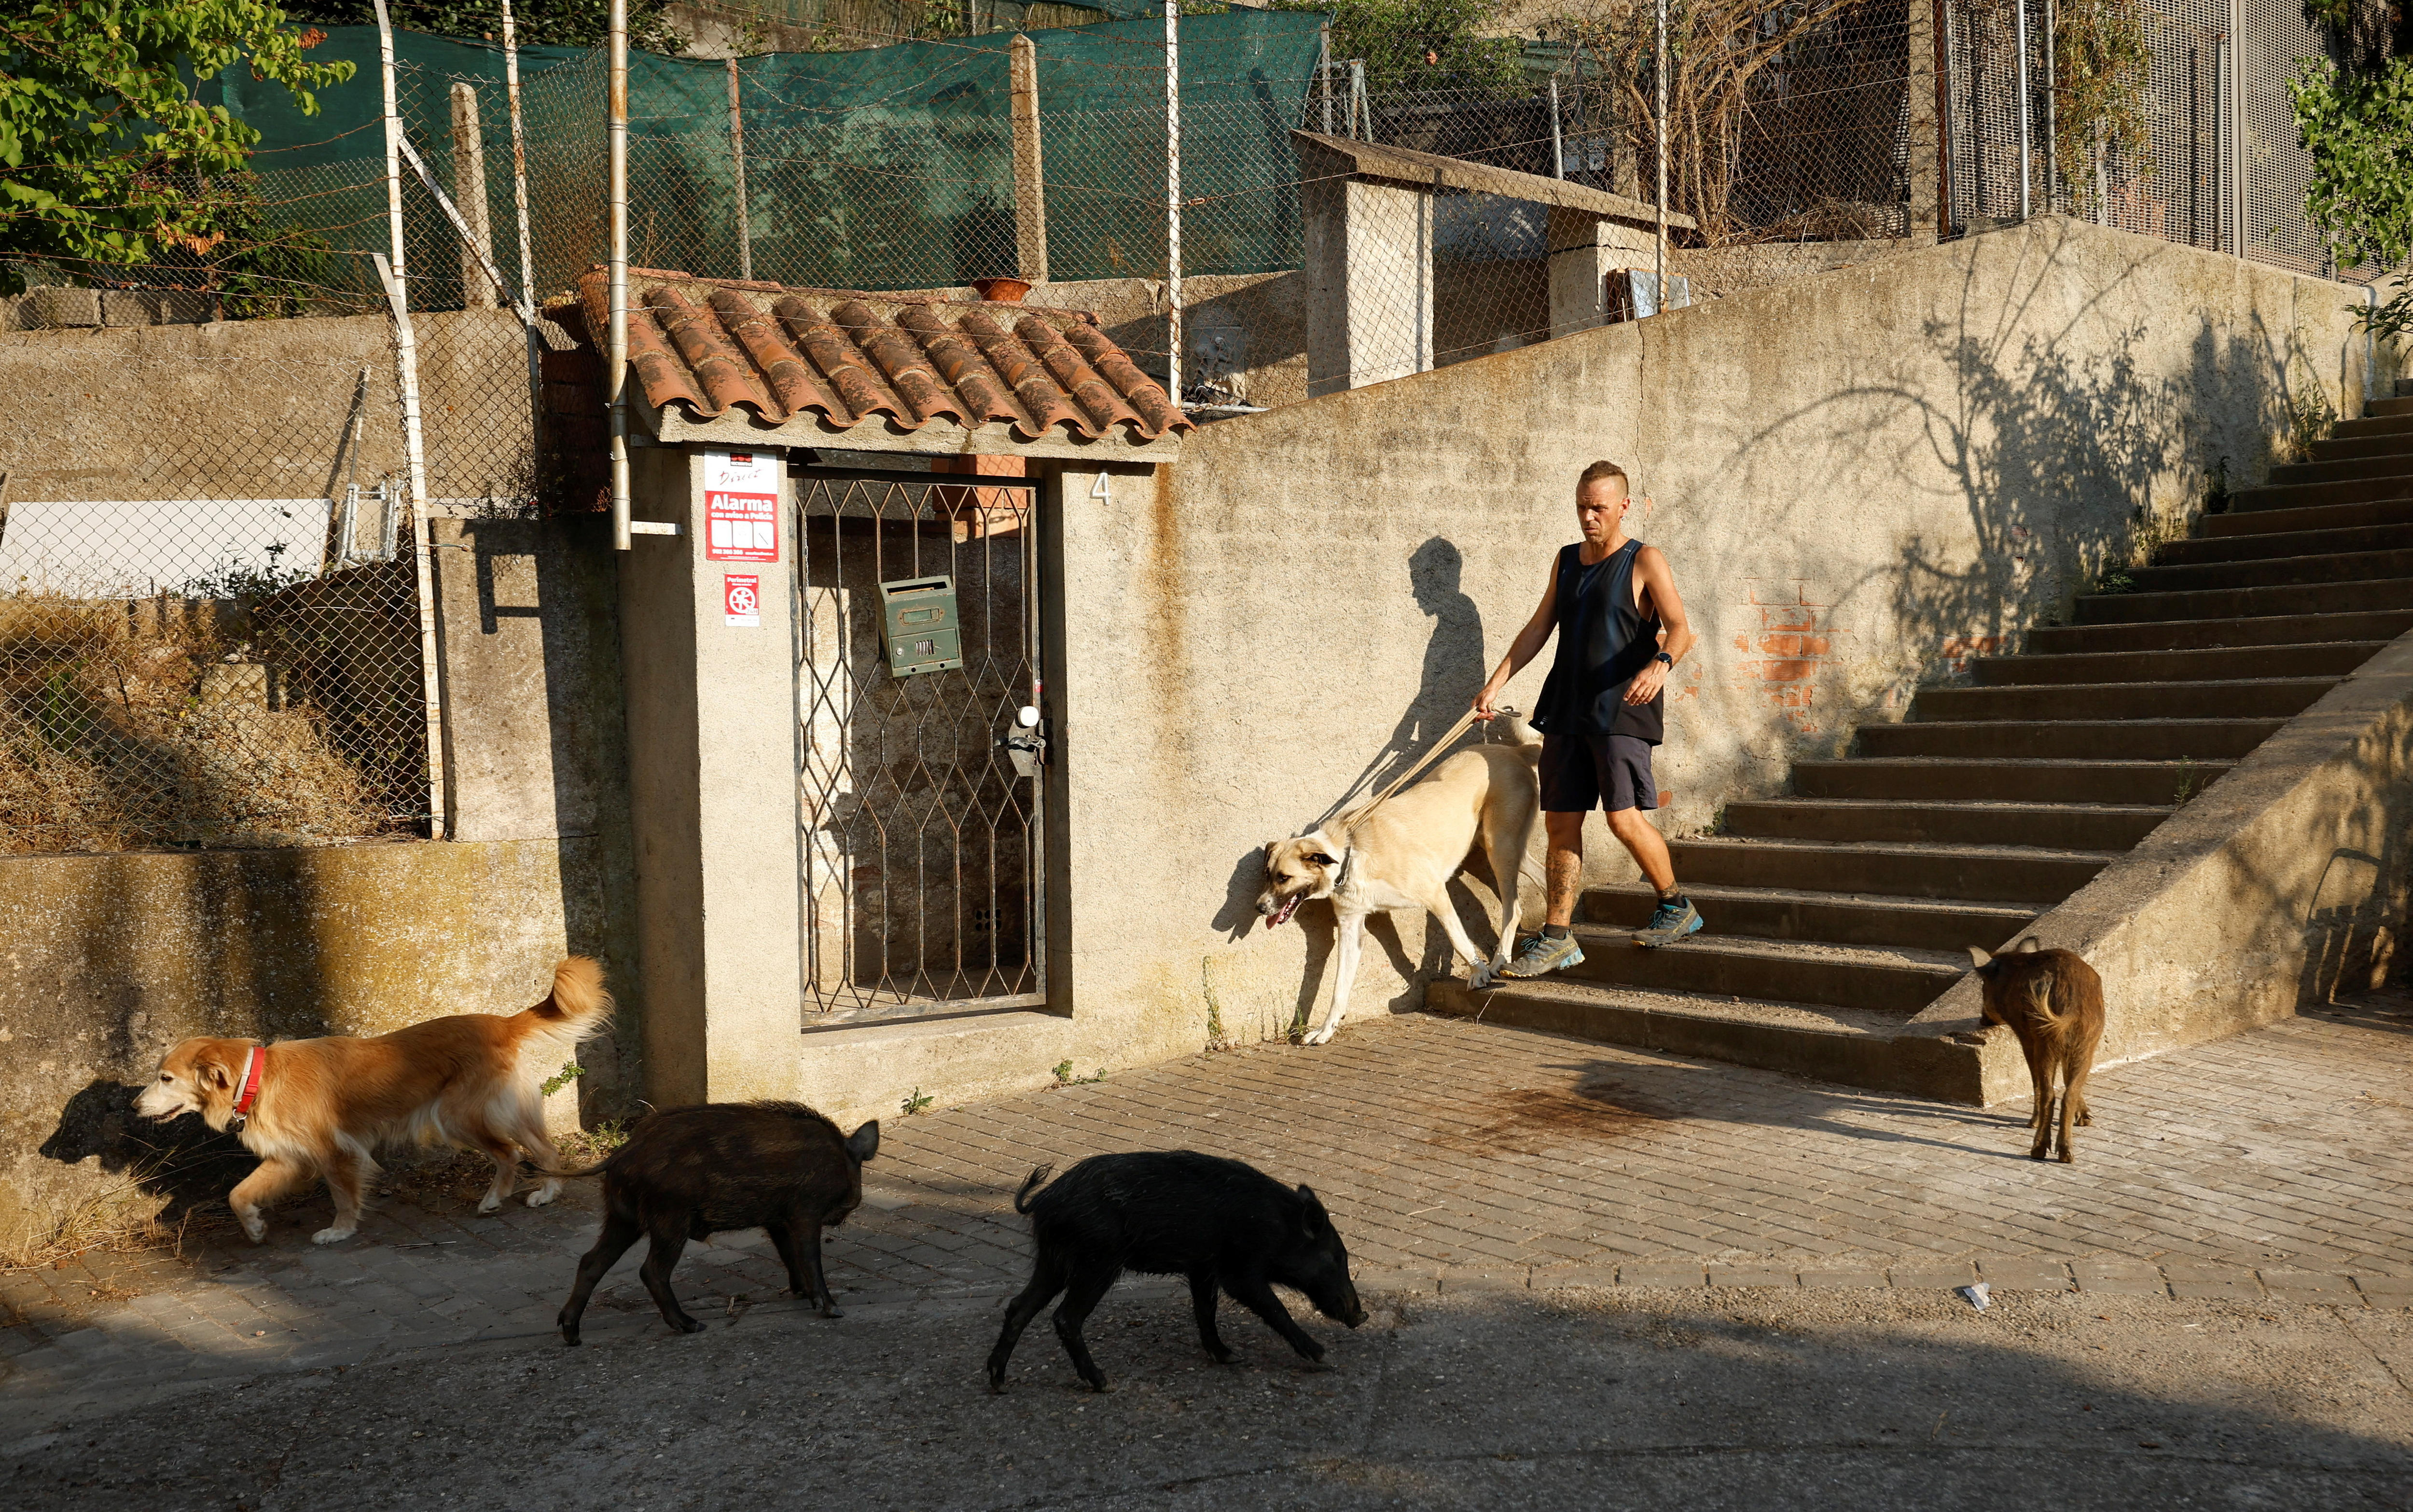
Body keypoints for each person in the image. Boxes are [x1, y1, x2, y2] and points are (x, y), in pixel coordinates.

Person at [1472, 459, 1701, 976]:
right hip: (1567, 709)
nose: (1587, 517)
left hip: (1622, 708)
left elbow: (1681, 627)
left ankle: (1674, 905)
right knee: (1561, 824)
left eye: (1598, 507)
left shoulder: (1644, 560)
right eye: (1581, 506)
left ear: (1623, 506)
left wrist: (1660, 664)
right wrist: (1495, 683)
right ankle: (1557, 935)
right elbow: (1538, 628)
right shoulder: (1566, 560)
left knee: (1622, 819)